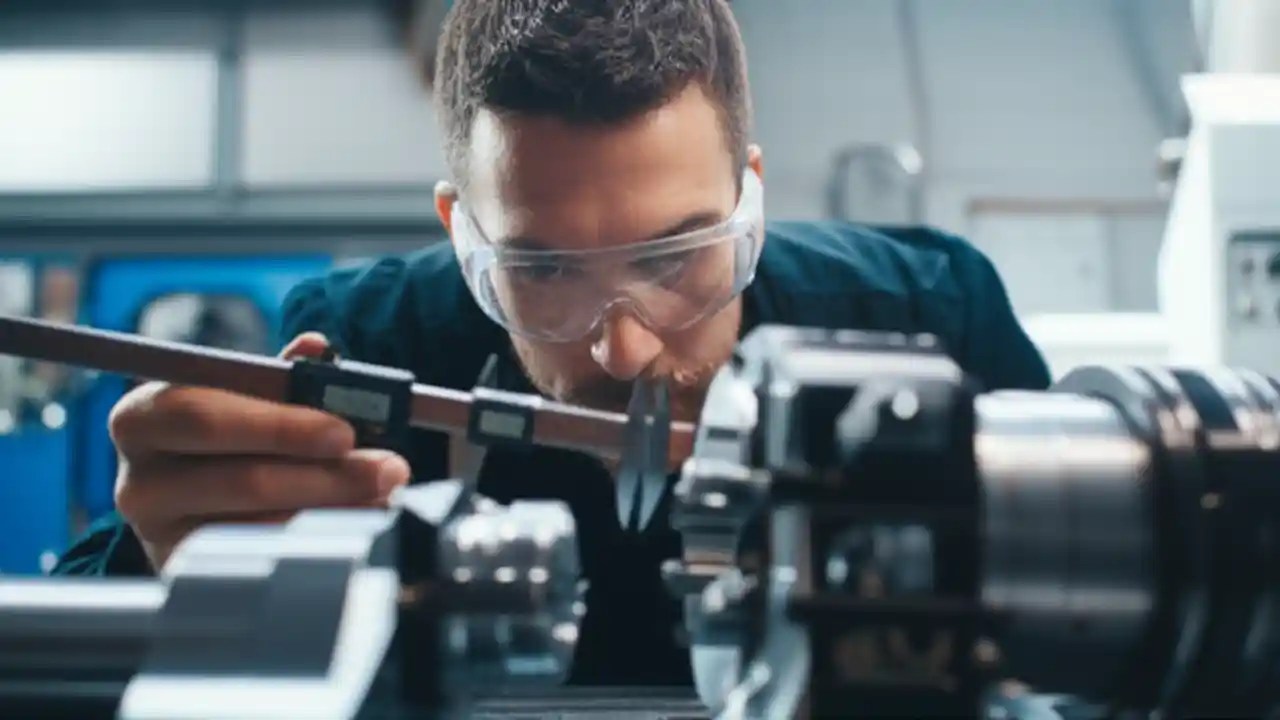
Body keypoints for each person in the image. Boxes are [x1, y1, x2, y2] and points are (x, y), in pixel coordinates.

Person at [53, 0, 1050, 687]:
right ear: (461, 233)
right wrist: (162, 560)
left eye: (674, 259)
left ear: (748, 194)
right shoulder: (365, 345)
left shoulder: (924, 315)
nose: (623, 352)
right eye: (544, 271)